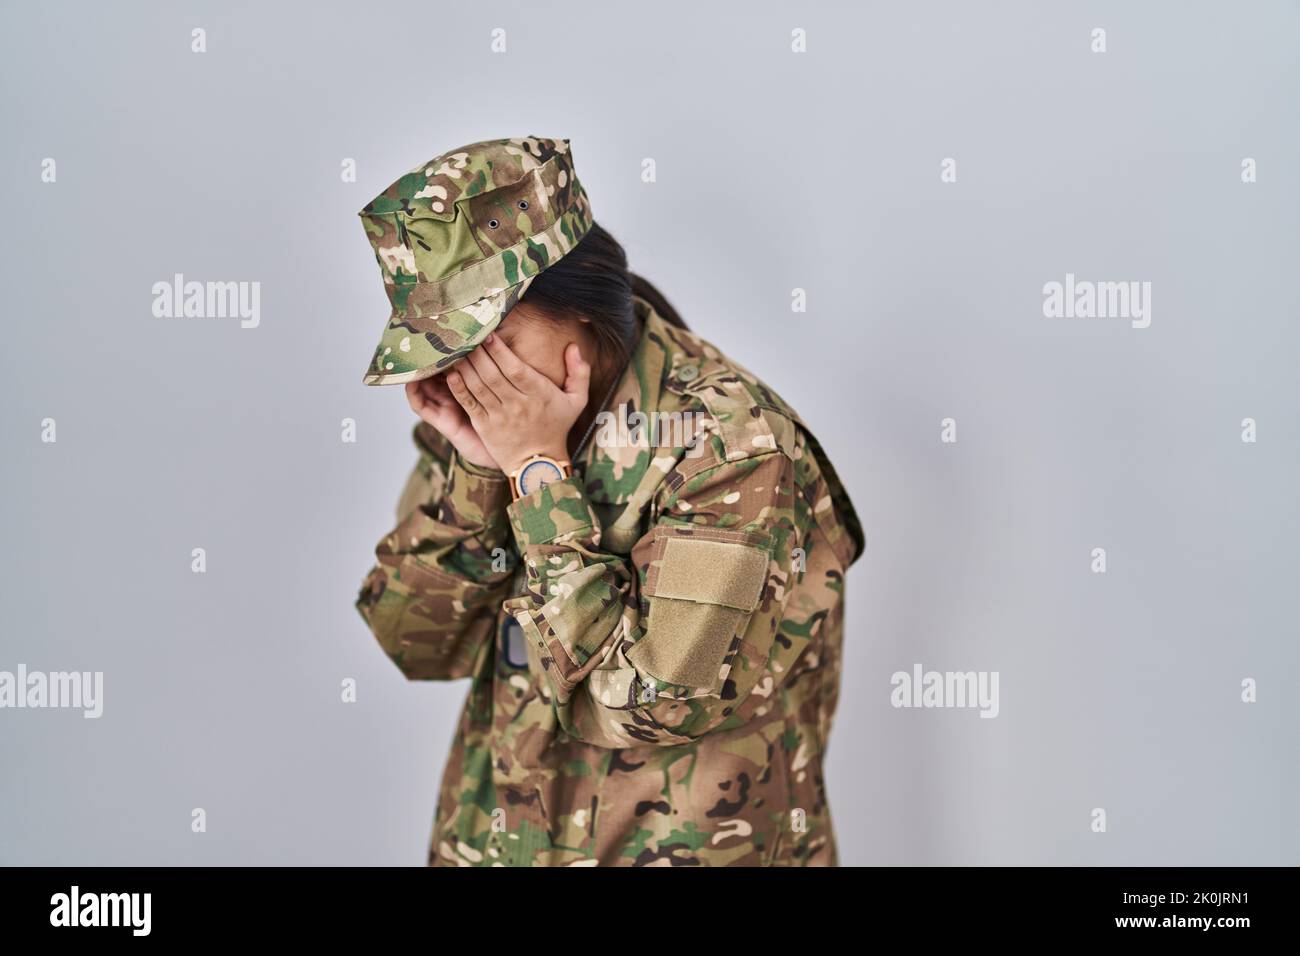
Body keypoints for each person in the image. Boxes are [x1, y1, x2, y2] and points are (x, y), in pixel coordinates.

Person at [354, 135, 864, 866]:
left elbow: (653, 706)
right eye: (443, 350)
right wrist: (480, 477)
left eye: (483, 340)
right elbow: (415, 643)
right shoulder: (489, 426)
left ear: (582, 314)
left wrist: (537, 474)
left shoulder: (732, 444)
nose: (466, 376)